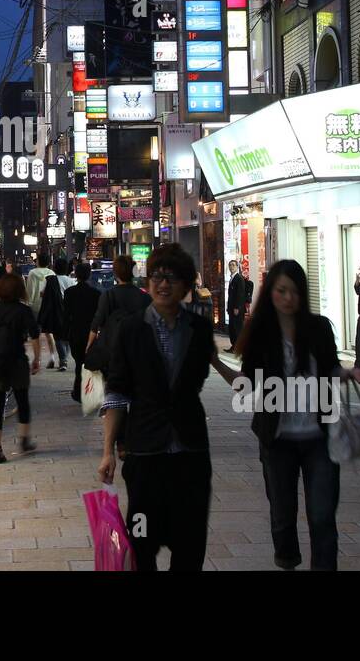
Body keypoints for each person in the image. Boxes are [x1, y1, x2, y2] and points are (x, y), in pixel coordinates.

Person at [97, 244, 240, 571]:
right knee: (142, 542)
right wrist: (108, 450)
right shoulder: (130, 329)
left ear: (186, 286)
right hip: (146, 452)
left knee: (190, 546)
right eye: (157, 277)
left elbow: (210, 369)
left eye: (172, 278)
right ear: (147, 282)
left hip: (191, 452)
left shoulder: (200, 329)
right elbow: (117, 392)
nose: (163, 284)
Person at [238, 259, 360, 571]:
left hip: (320, 439)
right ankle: (287, 560)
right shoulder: (261, 334)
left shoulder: (319, 328)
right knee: (283, 517)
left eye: (294, 292)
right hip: (278, 439)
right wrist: (214, 363)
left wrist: (352, 373)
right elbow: (245, 383)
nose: (288, 298)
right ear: (271, 293)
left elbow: (329, 368)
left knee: (323, 516)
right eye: (281, 291)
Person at [0, 272, 42, 463]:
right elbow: (35, 336)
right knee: (22, 401)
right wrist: (36, 359)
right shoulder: (23, 311)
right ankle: (24, 441)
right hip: (16, 361)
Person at [85, 255, 150, 367]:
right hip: (138, 347)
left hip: (113, 347)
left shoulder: (108, 295)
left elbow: (97, 322)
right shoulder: (145, 297)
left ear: (115, 273)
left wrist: (89, 345)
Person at [64, 263, 101, 402]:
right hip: (91, 332)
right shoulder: (96, 293)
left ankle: (79, 390)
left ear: (76, 274)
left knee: (79, 362)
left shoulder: (69, 293)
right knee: (89, 363)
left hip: (75, 332)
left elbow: (66, 315)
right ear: (89, 274)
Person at [24, 253, 61, 367]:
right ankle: (52, 357)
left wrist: (27, 304)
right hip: (48, 306)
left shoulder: (32, 273)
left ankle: (37, 358)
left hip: (35, 306)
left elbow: (30, 290)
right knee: (49, 332)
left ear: (38, 261)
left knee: (35, 334)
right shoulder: (52, 273)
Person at [226, 260, 246, 352]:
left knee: (237, 328)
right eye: (230, 265)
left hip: (237, 309)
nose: (231, 267)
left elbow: (240, 295)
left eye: (233, 265)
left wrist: (237, 307)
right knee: (232, 328)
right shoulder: (232, 278)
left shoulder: (239, 278)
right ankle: (234, 346)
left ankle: (238, 347)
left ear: (237, 266)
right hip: (232, 308)